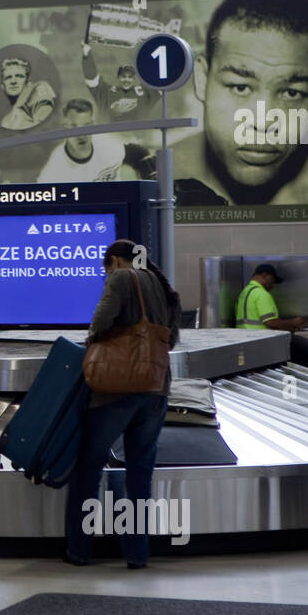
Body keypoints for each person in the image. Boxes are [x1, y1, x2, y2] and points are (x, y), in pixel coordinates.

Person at [172, 0, 308, 206]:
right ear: (202, 79)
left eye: (292, 93)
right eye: (240, 87)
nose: (263, 122)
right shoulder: (152, 177)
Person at [65, 239, 181, 570]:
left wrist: (90, 341)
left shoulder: (121, 277)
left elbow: (102, 321)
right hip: (156, 388)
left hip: (115, 390)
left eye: (106, 268)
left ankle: (79, 550)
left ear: (114, 260)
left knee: (88, 468)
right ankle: (137, 554)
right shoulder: (162, 285)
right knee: (140, 473)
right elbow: (171, 338)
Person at [36, 99, 126, 182]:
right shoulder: (54, 170)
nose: (81, 135)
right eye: (74, 126)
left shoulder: (112, 145)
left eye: (86, 126)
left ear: (93, 125)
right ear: (65, 127)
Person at [81, 44, 154, 121]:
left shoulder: (143, 93)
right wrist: (87, 55)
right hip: (112, 131)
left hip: (138, 131)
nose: (126, 80)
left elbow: (161, 84)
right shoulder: (107, 92)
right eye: (123, 76)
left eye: (130, 77)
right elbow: (92, 79)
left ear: (134, 79)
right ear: (118, 77)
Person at [0, 56, 57, 131]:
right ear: (3, 86)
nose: (13, 81)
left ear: (28, 82)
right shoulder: (6, 121)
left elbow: (43, 129)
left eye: (19, 76)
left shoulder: (40, 92)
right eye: (8, 77)